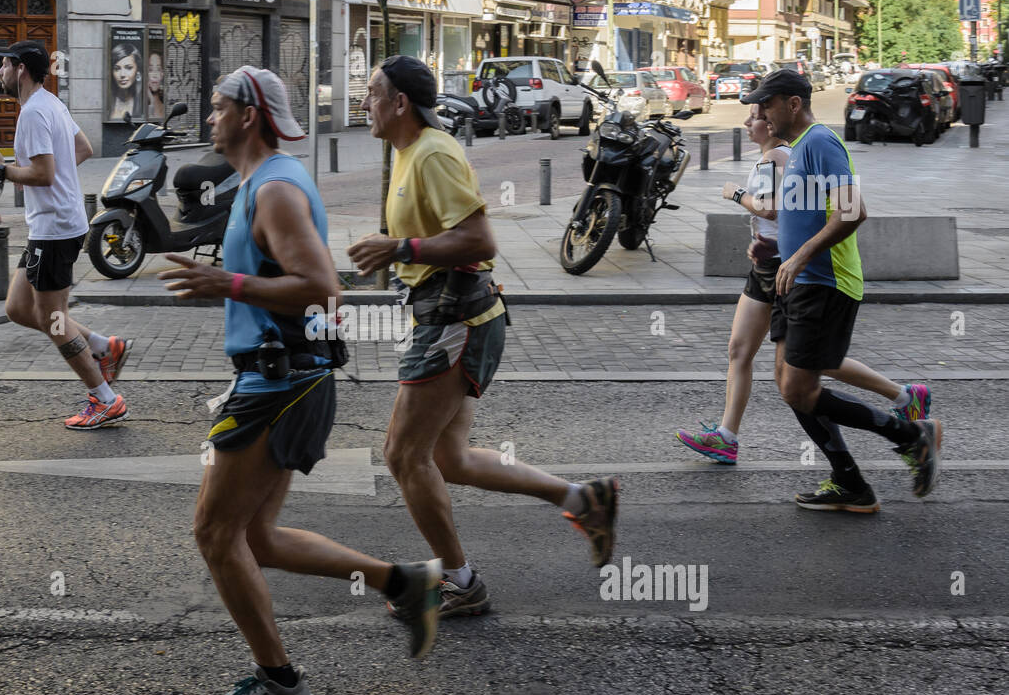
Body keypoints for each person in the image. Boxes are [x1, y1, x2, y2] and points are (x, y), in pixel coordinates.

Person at [158, 66, 442, 695]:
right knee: (257, 536)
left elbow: (320, 287)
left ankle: (280, 681)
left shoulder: (277, 188)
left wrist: (224, 285)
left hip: (280, 382)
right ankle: (405, 582)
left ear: (249, 115)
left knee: (214, 532)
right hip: (284, 375)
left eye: (219, 106)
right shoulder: (259, 180)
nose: (210, 118)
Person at [347, 55, 618, 620]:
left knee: (402, 454)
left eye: (373, 93)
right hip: (450, 315)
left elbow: (479, 241)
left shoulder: (433, 152)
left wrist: (401, 249)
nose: (364, 103)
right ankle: (583, 500)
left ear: (400, 103)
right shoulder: (406, 153)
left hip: (456, 321)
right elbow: (430, 238)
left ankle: (461, 580)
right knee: (448, 458)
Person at [674, 104, 931, 467]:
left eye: (755, 118)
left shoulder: (778, 156)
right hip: (771, 265)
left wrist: (734, 194)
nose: (748, 123)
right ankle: (728, 436)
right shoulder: (781, 154)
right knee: (744, 351)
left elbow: (770, 208)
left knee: (802, 371)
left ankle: (902, 403)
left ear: (771, 123)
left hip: (785, 270)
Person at [742, 69, 941, 512]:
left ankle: (909, 436)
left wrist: (799, 256)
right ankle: (850, 483)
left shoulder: (819, 142)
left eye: (768, 104)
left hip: (824, 281)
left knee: (799, 390)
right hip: (794, 281)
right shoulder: (794, 151)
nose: (762, 113)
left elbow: (853, 212)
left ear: (793, 104)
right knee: (788, 384)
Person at [0, 41, 133, 430]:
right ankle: (104, 346)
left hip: (54, 229)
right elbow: (80, 148)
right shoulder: (51, 103)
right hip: (53, 225)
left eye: (3, 65)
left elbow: (43, 174)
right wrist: (59, 177)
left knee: (53, 319)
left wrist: (1, 171)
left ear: (20, 70)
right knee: (19, 308)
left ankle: (105, 399)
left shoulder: (34, 112)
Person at [108, 43, 144, 122]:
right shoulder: (108, 102)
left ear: (137, 70)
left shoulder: (144, 103)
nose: (122, 75)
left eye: (128, 68)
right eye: (117, 69)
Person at [146, 50, 165, 120]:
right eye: (150, 70)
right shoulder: (139, 108)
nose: (155, 75)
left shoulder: (165, 106)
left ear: (162, 74)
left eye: (158, 69)